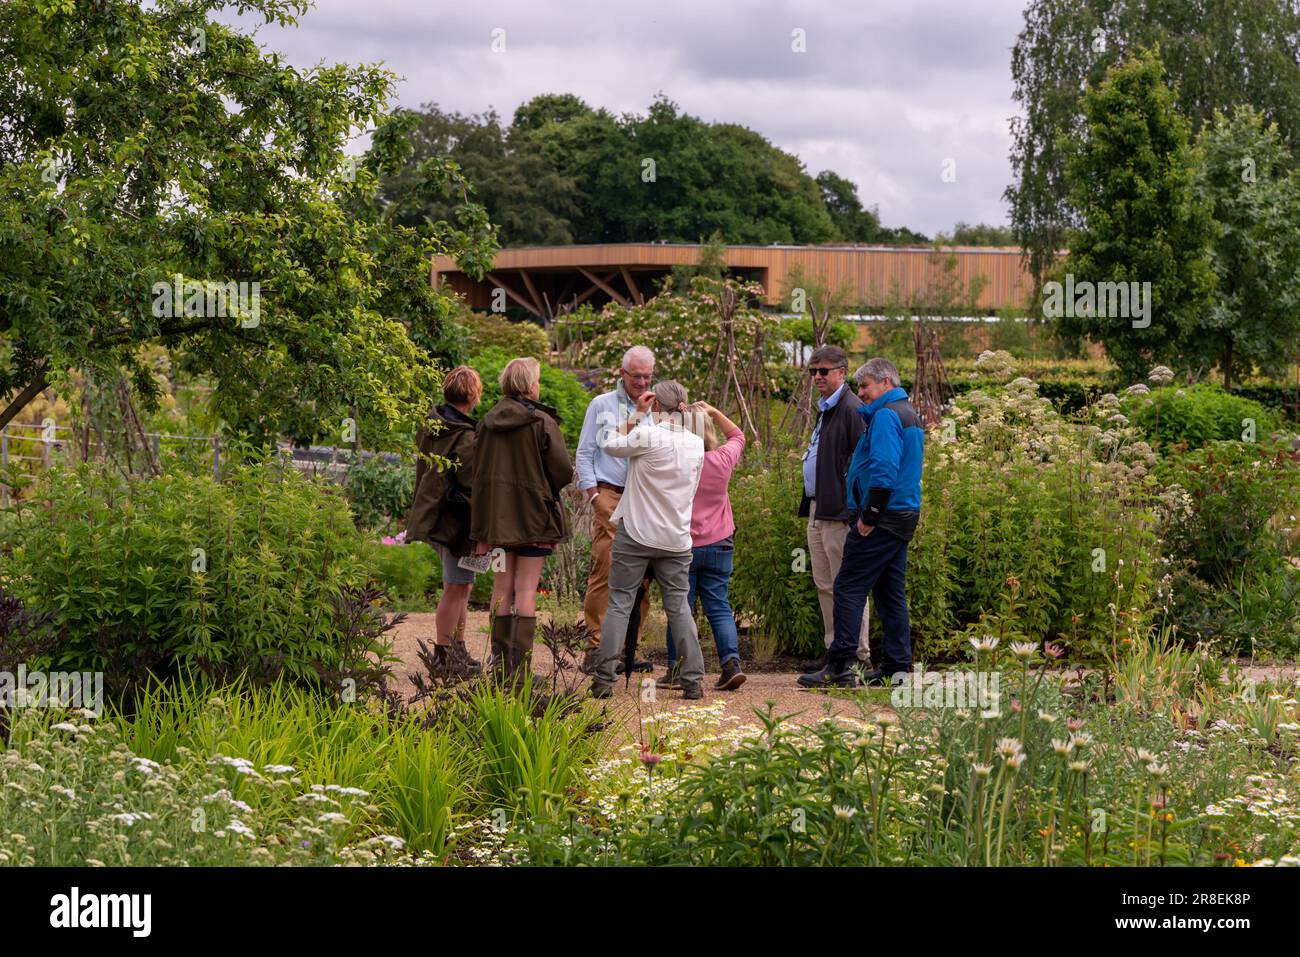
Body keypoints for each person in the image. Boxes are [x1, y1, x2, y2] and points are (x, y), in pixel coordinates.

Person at [799, 358, 923, 689]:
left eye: (865, 385)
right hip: (903, 514)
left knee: (848, 586)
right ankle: (897, 668)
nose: (862, 392)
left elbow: (884, 469)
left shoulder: (885, 415)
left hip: (882, 516)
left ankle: (840, 665)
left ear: (885, 381)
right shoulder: (906, 412)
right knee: (890, 592)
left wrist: (869, 515)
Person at [589, 381, 706, 700]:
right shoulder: (695, 444)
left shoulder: (647, 435)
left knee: (619, 604)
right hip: (676, 538)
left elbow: (609, 444)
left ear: (656, 405)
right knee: (679, 607)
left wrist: (636, 414)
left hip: (637, 533)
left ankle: (604, 679)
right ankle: (693, 679)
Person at [470, 357, 574, 683]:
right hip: (533, 518)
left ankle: (500, 667)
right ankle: (521, 671)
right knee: (526, 590)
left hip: (497, 523)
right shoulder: (542, 421)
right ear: (531, 386)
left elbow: (476, 467)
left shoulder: (486, 422)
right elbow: (563, 471)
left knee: (501, 587)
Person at [575, 345, 655, 674]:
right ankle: (595, 648)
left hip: (644, 498)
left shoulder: (656, 407)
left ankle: (627, 649)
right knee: (604, 571)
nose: (641, 381)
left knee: (642, 577)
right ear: (622, 374)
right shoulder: (602, 404)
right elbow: (585, 452)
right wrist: (593, 495)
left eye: (647, 376)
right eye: (636, 376)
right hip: (609, 493)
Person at [660, 401, 747, 691]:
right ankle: (731, 664)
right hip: (720, 542)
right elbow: (739, 436)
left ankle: (676, 669)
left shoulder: (676, 462)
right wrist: (713, 412)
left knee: (680, 606)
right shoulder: (722, 459)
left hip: (684, 544)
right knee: (719, 606)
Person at [799, 345, 875, 675]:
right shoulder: (827, 409)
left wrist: (854, 511)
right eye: (813, 371)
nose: (817, 376)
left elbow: (864, 462)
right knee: (825, 583)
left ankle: (857, 653)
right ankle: (835, 651)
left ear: (841, 373)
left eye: (823, 371)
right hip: (819, 509)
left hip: (839, 513)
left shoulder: (851, 409)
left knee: (848, 584)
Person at [405, 366, 484, 673]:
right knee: (455, 588)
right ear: (474, 395)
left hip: (434, 516)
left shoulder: (432, 425)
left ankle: (456, 648)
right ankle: (444, 655)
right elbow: (471, 481)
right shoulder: (464, 435)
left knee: (460, 586)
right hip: (456, 522)